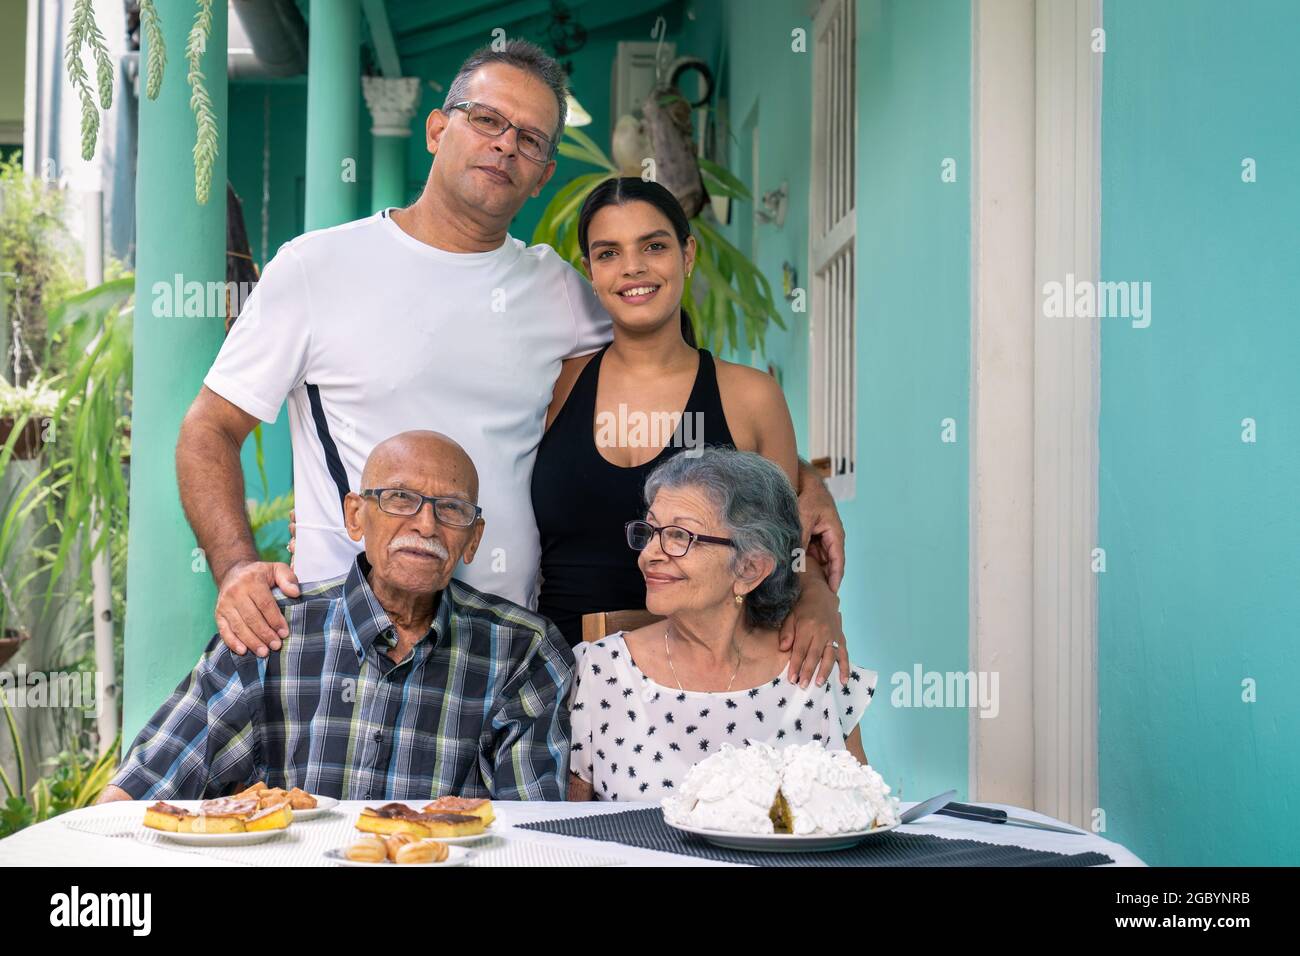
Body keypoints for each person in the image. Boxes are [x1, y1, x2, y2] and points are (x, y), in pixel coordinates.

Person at [179, 40, 847, 681]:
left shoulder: (556, 289)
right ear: (438, 129)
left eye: (530, 140)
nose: (506, 145)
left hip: (509, 658)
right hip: (353, 640)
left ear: (542, 176)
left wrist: (803, 490)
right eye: (487, 120)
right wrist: (237, 566)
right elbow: (208, 429)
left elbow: (673, 380)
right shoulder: (317, 268)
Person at [99, 431, 572, 803]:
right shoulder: (272, 629)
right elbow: (141, 790)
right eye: (400, 499)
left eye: (451, 509)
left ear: (472, 538)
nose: (426, 525)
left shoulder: (520, 650)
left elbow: (528, 833)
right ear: (355, 516)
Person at [532, 177, 847, 687]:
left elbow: (788, 542)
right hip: (559, 680)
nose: (633, 267)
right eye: (609, 253)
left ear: (687, 254)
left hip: (706, 686)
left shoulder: (751, 397)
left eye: (653, 246)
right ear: (590, 272)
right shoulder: (556, 385)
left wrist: (817, 599)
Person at [566, 448, 877, 803]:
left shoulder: (813, 671)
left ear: (749, 570)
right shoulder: (601, 670)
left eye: (680, 536)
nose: (649, 554)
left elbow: (862, 815)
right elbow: (574, 829)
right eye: (650, 531)